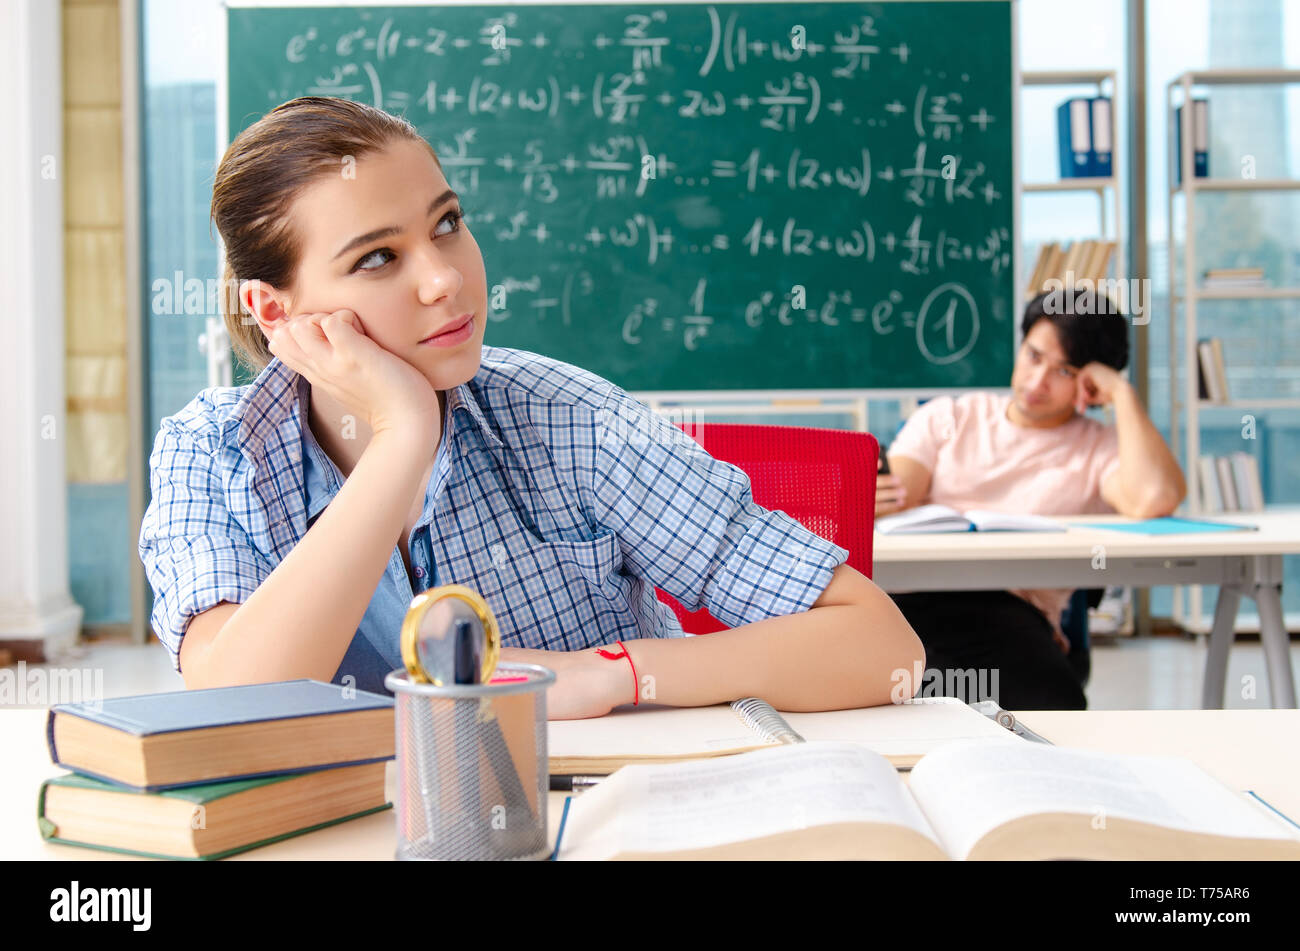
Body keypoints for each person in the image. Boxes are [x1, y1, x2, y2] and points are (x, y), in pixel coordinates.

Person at [137, 96, 923, 720]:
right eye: (379, 257)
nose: (445, 277)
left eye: (447, 224)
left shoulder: (568, 420)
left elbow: (883, 647)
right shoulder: (211, 450)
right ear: (275, 313)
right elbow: (230, 703)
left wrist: (617, 674)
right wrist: (401, 435)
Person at [876, 288, 1187, 710]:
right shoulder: (947, 417)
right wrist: (870, 495)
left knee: (1053, 706)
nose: (1038, 382)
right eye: (1034, 356)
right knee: (880, 681)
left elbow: (1155, 497)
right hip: (909, 598)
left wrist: (1123, 395)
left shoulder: (1098, 448)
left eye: (1064, 371)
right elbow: (896, 497)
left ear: (1091, 382)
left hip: (1010, 612)